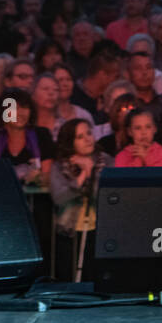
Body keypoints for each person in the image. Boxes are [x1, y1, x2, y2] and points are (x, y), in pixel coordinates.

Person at [49, 119, 112, 281]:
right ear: (70, 142)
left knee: (94, 277)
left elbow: (106, 198)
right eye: (80, 137)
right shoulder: (59, 166)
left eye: (89, 133)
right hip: (69, 231)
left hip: (99, 230)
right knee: (68, 276)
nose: (87, 139)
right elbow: (59, 198)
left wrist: (91, 171)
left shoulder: (107, 162)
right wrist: (83, 174)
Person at [0, 87, 55, 186]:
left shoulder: (42, 135)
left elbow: (49, 178)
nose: (20, 113)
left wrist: (38, 177)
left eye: (24, 107)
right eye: (14, 108)